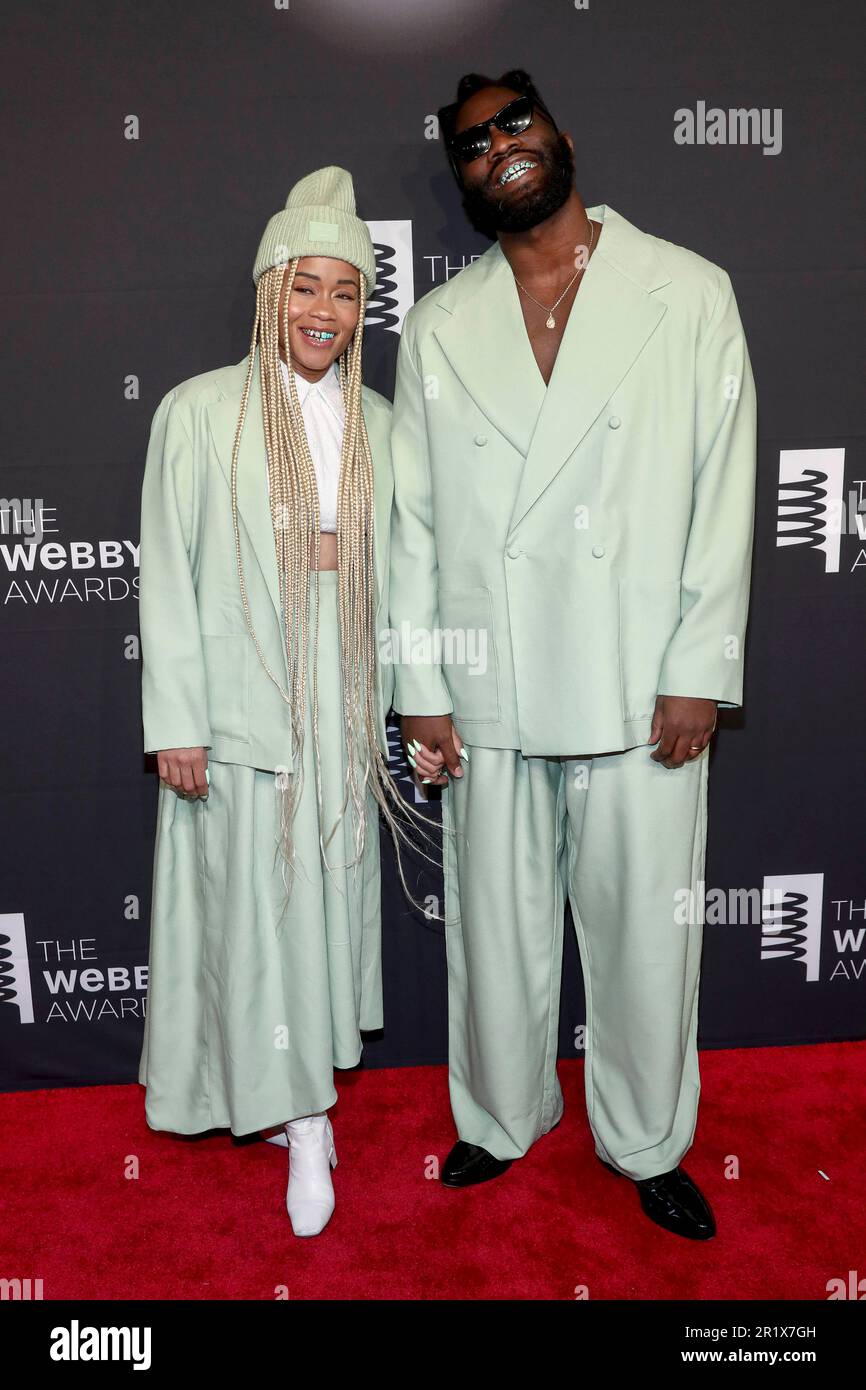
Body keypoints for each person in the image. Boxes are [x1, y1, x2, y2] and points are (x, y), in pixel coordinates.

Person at [388, 70, 757, 1239]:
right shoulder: (438, 326)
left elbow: (722, 490)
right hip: (488, 684)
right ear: (456, 178)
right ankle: (499, 1117)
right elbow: (412, 524)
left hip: (639, 682)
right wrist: (421, 684)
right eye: (470, 143)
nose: (497, 148)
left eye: (514, 123)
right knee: (493, 933)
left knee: (649, 934)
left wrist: (697, 663)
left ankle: (645, 1136)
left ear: (559, 133)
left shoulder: (687, 292)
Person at [138, 166, 410, 1237]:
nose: (324, 313)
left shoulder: (383, 422)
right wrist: (178, 721)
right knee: (257, 928)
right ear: (267, 290)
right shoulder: (198, 412)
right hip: (242, 720)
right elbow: (167, 570)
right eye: (305, 287)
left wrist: (411, 703)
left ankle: (307, 1105)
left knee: (324, 924)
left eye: (346, 292)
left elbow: (406, 573)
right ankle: (299, 1121)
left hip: (345, 717)